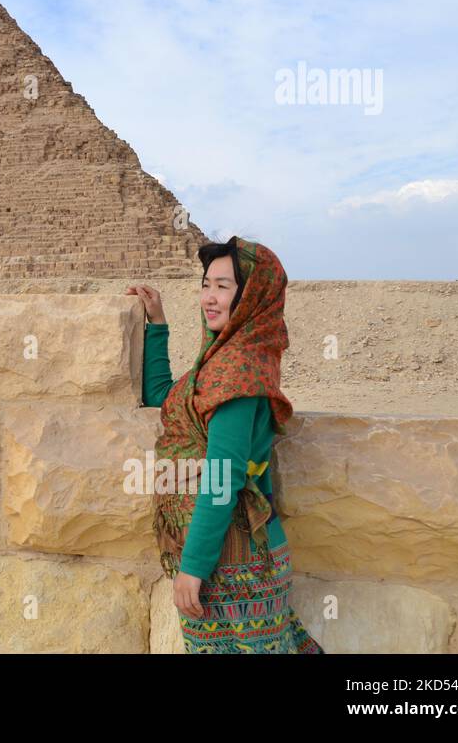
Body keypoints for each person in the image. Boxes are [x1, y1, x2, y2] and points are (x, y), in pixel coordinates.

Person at [125, 235, 324, 653]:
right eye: (205, 284)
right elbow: (166, 395)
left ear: (251, 295)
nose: (209, 298)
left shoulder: (239, 373)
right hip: (221, 562)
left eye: (224, 286)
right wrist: (157, 323)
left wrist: (193, 569)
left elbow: (223, 478)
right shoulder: (217, 364)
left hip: (233, 563)